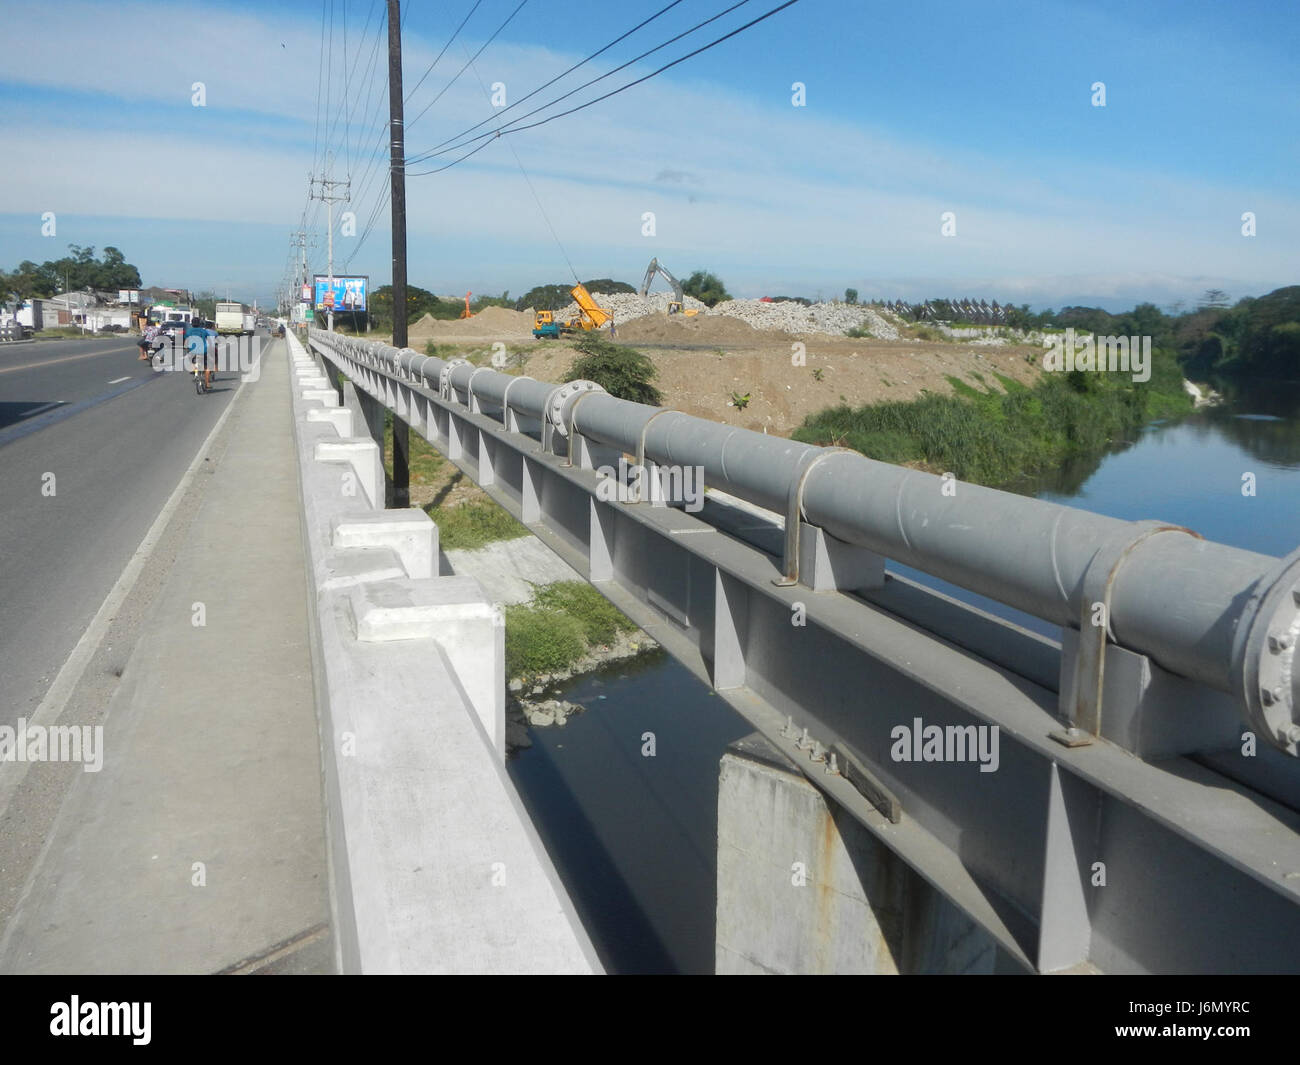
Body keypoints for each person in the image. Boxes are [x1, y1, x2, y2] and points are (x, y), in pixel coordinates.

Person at [184, 317, 218, 389]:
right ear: (199, 323)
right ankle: (207, 383)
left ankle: (194, 370)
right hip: (202, 351)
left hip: (192, 351)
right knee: (207, 366)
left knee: (192, 360)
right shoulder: (203, 331)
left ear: (192, 323)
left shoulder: (189, 331)